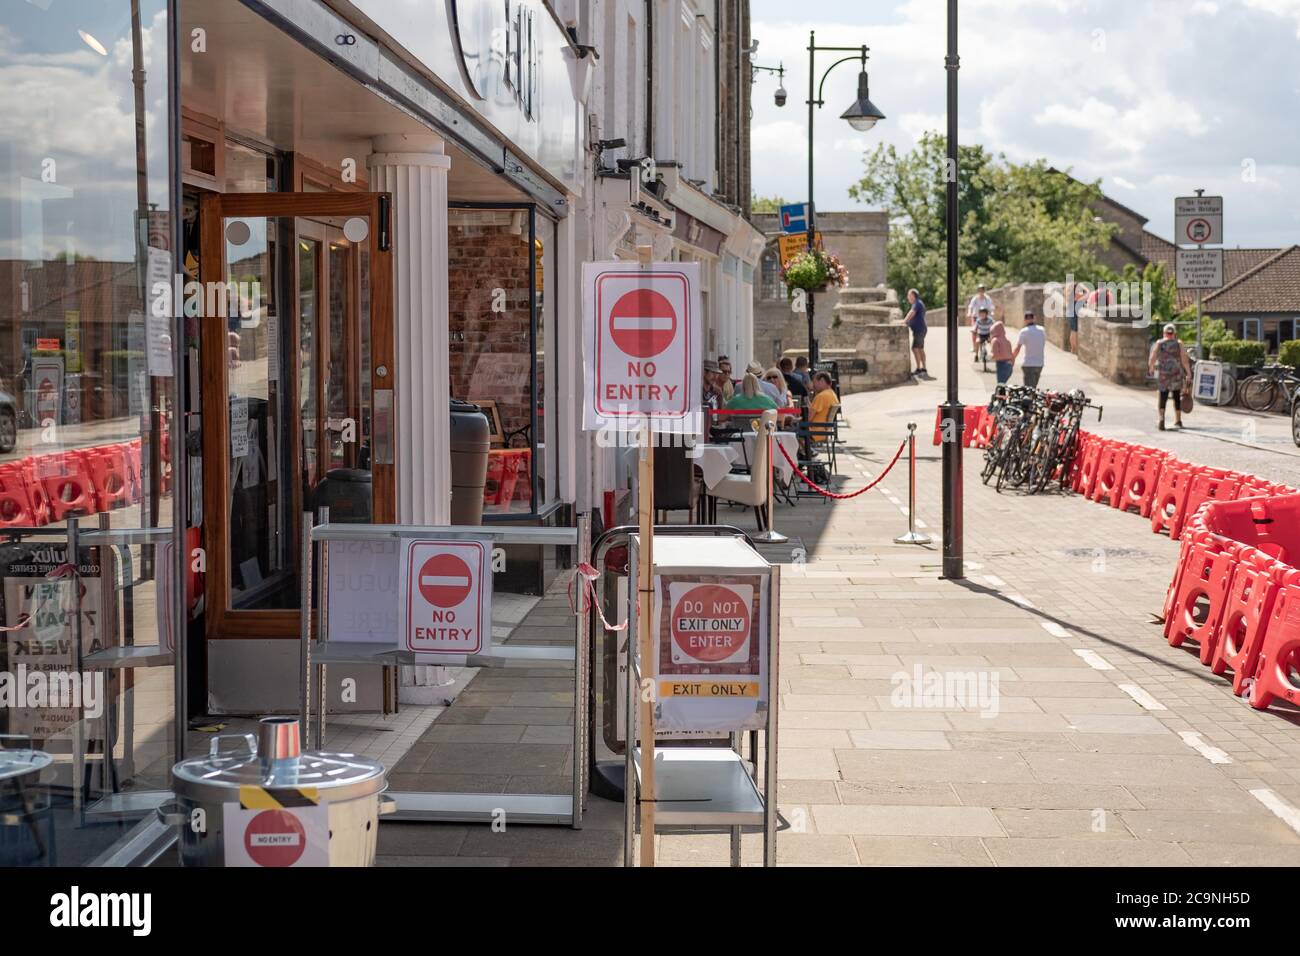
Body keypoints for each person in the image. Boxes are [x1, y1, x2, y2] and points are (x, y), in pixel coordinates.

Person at [1148, 323, 1192, 430]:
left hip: (1164, 375)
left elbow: (1153, 356)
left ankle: (1161, 419)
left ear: (1164, 333)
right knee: (1176, 396)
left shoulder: (1159, 343)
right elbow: (1184, 360)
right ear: (1174, 333)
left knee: (1163, 396)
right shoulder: (1179, 343)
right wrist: (1188, 373)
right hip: (1176, 374)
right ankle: (1178, 420)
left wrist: (1151, 367)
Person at [1011, 311, 1046, 388]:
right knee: (1034, 388)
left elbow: (1018, 348)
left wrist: (1012, 359)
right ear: (1034, 319)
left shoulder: (1024, 331)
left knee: (1028, 390)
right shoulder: (1042, 330)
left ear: (1025, 320)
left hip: (1029, 363)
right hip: (1040, 363)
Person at [904, 289, 928, 378]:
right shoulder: (917, 303)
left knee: (915, 348)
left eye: (909, 296)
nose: (908, 298)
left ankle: (919, 368)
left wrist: (904, 321)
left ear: (913, 296)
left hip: (919, 330)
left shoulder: (917, 303)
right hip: (920, 329)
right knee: (920, 348)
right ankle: (923, 368)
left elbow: (911, 313)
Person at [966, 285, 995, 352]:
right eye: (979, 290)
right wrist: (969, 312)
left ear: (984, 291)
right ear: (978, 291)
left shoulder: (987, 298)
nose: (981, 292)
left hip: (986, 317)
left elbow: (991, 306)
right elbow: (971, 306)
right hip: (976, 317)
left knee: (991, 330)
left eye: (982, 290)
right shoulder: (975, 298)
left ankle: (992, 347)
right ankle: (974, 346)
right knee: (974, 331)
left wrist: (992, 312)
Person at [989, 320, 1014, 385]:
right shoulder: (1007, 341)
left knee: (1000, 385)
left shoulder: (995, 340)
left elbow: (995, 355)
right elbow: (1012, 355)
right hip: (1009, 365)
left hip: (1001, 364)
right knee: (1004, 384)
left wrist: (989, 356)